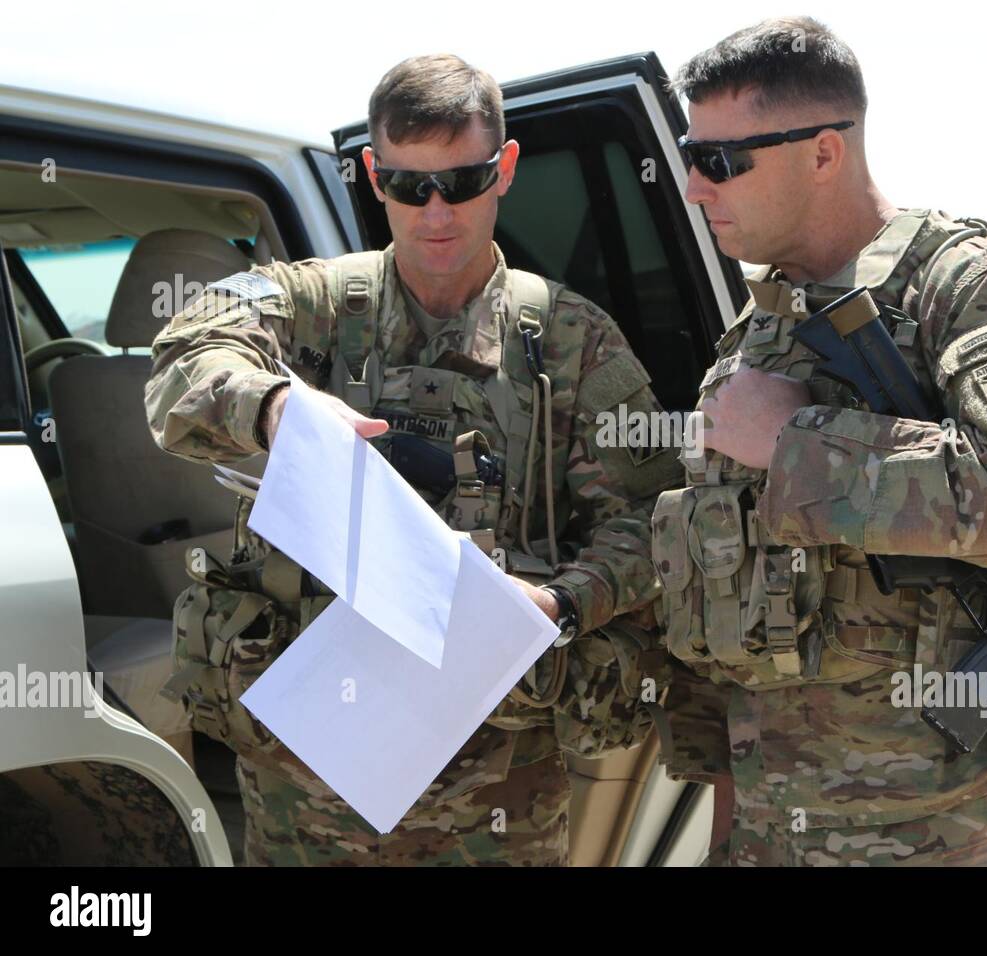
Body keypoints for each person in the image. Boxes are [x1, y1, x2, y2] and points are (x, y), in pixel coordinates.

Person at [146, 54, 676, 865]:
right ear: (373, 175)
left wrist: (562, 604)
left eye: (461, 183)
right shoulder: (313, 302)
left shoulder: (569, 339)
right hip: (307, 787)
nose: (436, 211)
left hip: (497, 792)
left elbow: (648, 522)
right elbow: (187, 349)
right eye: (408, 185)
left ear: (504, 170)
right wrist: (274, 406)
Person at [652, 17, 987, 866]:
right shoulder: (759, 334)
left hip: (953, 829)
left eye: (720, 162)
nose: (694, 187)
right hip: (778, 825)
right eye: (693, 157)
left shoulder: (974, 287)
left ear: (824, 153)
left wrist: (796, 442)